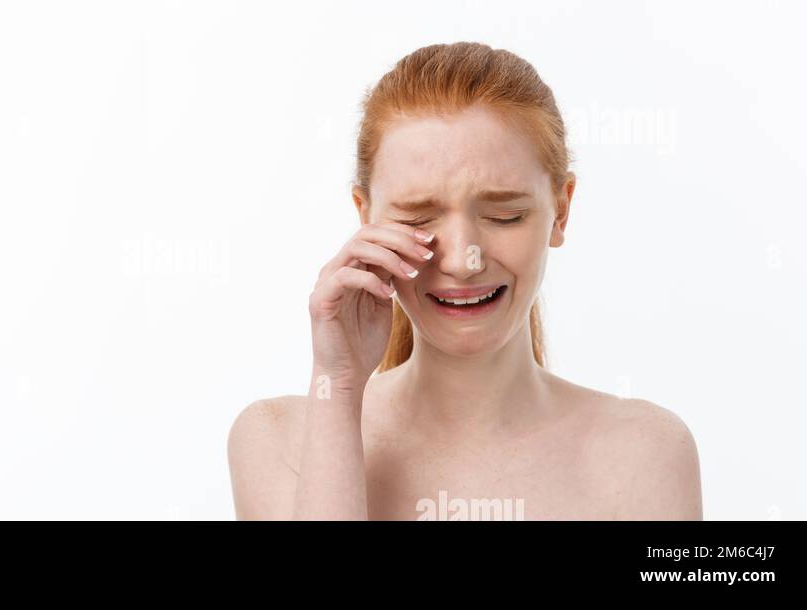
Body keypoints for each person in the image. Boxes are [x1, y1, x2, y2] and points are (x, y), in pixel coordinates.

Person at [227, 42, 702, 520]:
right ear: (366, 216)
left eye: (504, 215)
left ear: (561, 210)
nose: (463, 260)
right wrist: (340, 385)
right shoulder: (282, 442)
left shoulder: (644, 456)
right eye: (418, 219)